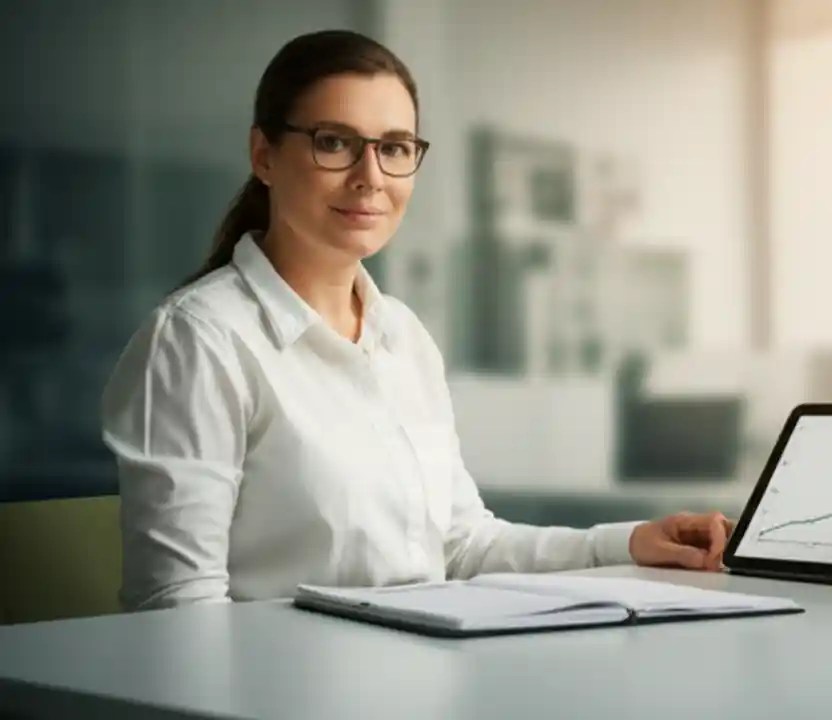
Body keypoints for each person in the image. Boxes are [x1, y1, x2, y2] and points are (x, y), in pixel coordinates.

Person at [101, 30, 732, 612]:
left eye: (395, 148)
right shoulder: (199, 339)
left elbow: (459, 548)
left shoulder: (401, 336)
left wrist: (628, 544)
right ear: (264, 155)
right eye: (334, 142)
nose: (370, 177)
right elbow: (179, 611)